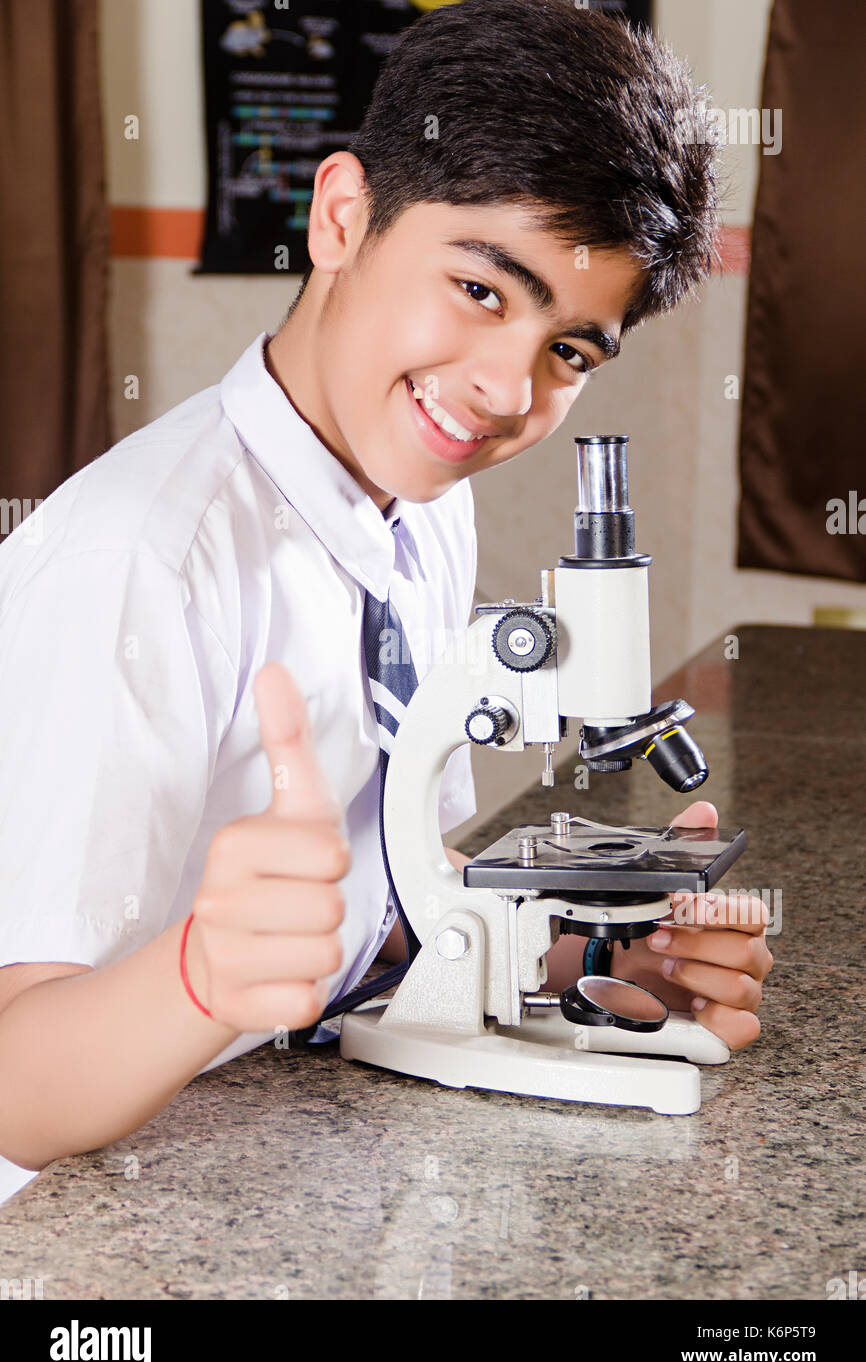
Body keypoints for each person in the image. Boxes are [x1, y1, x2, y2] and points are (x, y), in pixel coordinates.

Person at [0, 0, 772, 1174]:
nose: (508, 388)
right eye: (479, 289)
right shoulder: (135, 560)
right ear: (342, 216)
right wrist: (201, 975)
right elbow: (14, 1085)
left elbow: (396, 892)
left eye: (567, 349)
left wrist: (603, 959)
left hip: (280, 1137)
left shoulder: (419, 505)